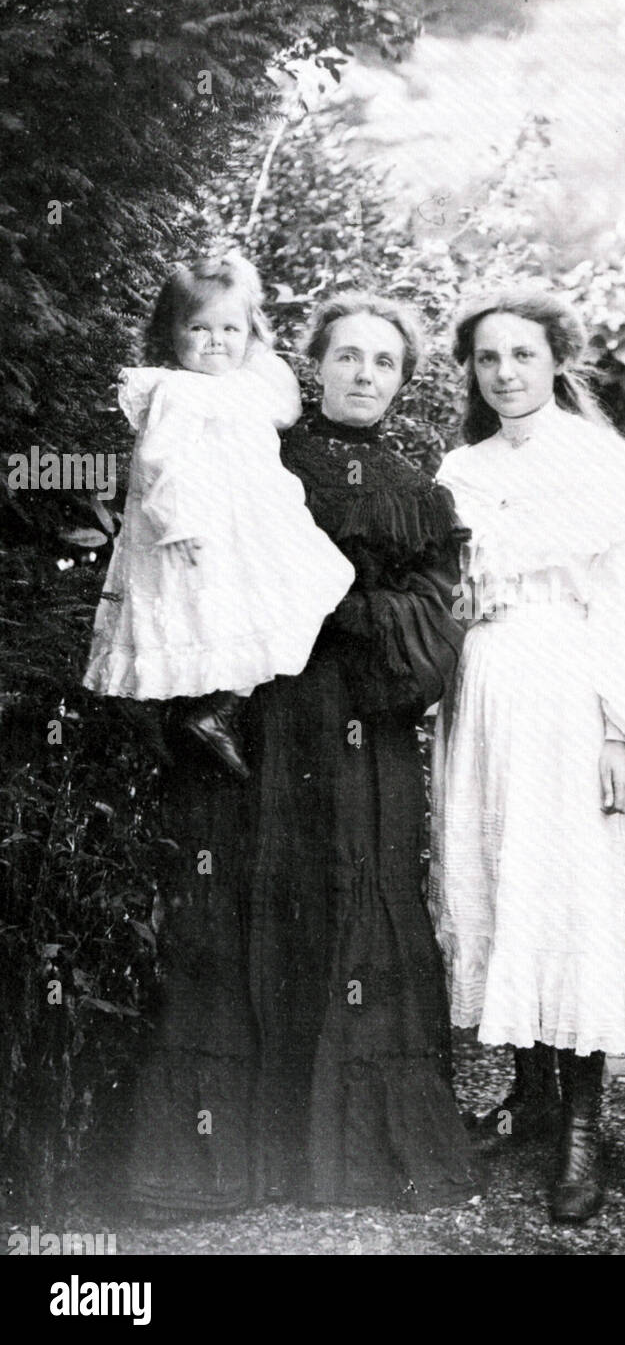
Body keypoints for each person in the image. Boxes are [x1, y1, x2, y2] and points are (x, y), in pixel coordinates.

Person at [126, 291, 483, 1218]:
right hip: (257, 718)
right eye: (346, 357)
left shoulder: (419, 494)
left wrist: (330, 604)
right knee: (239, 901)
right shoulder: (251, 451)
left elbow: (432, 635)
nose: (362, 375)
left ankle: (355, 1157)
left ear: (402, 383)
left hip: (361, 724)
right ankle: (221, 1166)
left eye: (383, 363)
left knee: (358, 902)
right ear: (310, 367)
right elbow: (186, 566)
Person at [430, 290, 625, 1225]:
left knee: (571, 889)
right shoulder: (458, 470)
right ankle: (528, 1092)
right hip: (487, 692)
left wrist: (623, 731)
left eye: (522, 356)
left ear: (555, 362)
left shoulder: (602, 468)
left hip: (572, 696)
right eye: (487, 358)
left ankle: (583, 1124)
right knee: (503, 879)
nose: (504, 372)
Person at [83, 252, 354, 779]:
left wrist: (255, 349)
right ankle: (191, 710)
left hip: (255, 521)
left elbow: (286, 408)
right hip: (204, 528)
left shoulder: (238, 385)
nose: (215, 341)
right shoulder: (179, 391)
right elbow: (158, 463)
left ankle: (215, 710)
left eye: (230, 328)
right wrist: (177, 522)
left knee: (320, 582)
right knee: (209, 620)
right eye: (198, 328)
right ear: (171, 335)